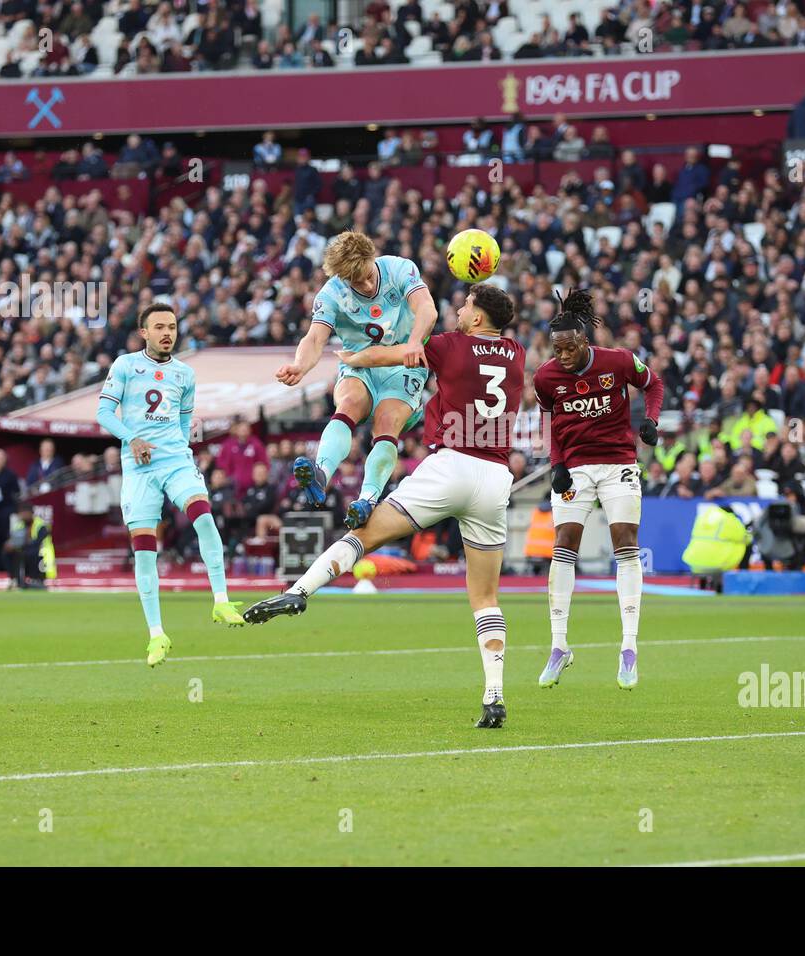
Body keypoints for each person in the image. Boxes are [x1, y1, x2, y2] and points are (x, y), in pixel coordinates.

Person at [245, 285, 523, 729]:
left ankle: (298, 592)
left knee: (365, 534)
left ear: (476, 318)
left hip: (449, 467)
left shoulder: (449, 346)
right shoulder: (516, 352)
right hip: (494, 479)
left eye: (467, 305)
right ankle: (494, 696)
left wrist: (352, 360)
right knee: (486, 597)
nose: (459, 309)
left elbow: (388, 355)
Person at [95, 303, 245, 667]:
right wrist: (132, 439)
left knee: (204, 517)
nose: (167, 332)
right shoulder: (125, 366)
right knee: (145, 549)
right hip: (138, 467)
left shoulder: (185, 374)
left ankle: (221, 600)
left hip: (176, 460)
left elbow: (183, 422)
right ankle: (156, 635)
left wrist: (181, 451)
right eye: (159, 326)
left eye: (172, 327)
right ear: (143, 332)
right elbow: (103, 413)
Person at [532, 290, 664, 690]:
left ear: (584, 342)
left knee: (625, 542)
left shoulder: (619, 361)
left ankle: (628, 648)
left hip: (618, 464)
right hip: (574, 469)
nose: (563, 356)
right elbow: (554, 422)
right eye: (557, 349)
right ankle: (559, 647)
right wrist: (556, 464)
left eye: (569, 348)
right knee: (563, 545)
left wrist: (651, 421)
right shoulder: (545, 376)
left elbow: (653, 384)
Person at [277, 231, 437, 530]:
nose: (364, 285)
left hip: (403, 362)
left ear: (371, 257)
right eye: (354, 282)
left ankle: (367, 499)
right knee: (348, 402)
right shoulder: (331, 293)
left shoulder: (400, 268)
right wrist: (301, 365)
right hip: (360, 363)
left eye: (366, 276)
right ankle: (321, 473)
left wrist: (415, 341)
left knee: (387, 423)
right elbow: (315, 337)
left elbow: (426, 307)